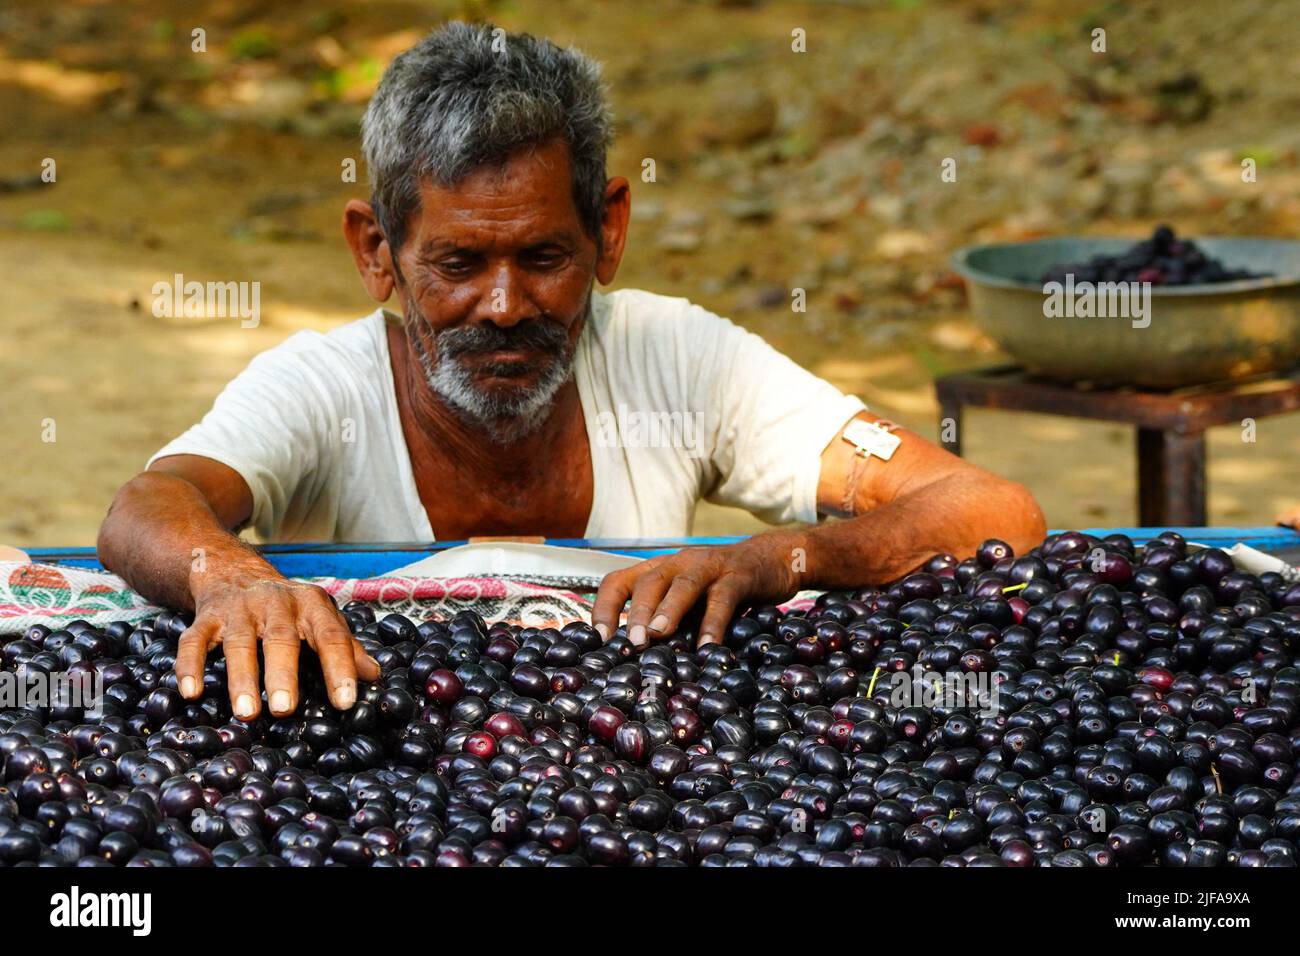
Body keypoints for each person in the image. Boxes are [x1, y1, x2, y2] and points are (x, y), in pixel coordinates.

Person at [97, 23, 1045, 720]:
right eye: (459, 265)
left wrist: (777, 559)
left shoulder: (683, 358)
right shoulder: (322, 385)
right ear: (377, 252)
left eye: (545, 259)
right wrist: (228, 578)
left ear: (610, 231)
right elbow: (148, 506)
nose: (505, 308)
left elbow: (990, 508)